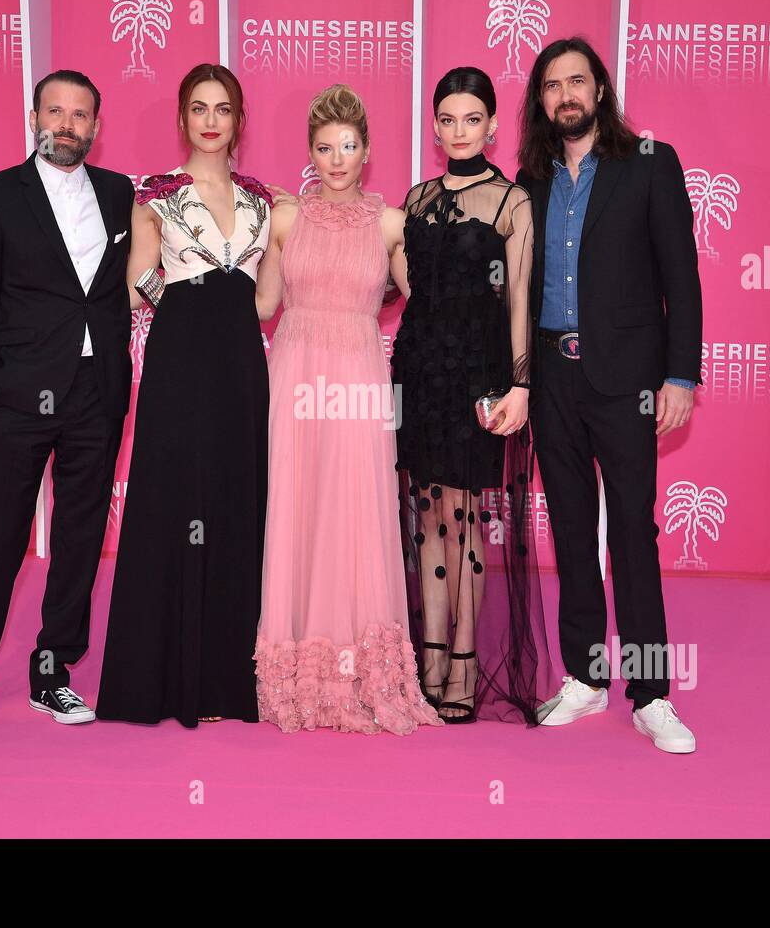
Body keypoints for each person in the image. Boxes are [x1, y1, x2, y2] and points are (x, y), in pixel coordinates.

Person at [515, 37, 702, 753]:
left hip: (627, 381)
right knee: (569, 532)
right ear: (541, 99)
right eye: (553, 85)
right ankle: (587, 679)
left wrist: (680, 376)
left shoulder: (648, 165)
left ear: (600, 90)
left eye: (578, 82)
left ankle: (651, 694)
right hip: (553, 380)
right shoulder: (527, 178)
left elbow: (679, 277)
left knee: (631, 534)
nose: (566, 94)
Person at [0, 69, 133, 733]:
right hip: (19, 396)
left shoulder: (118, 194)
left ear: (96, 128)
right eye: (56, 111)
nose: (68, 124)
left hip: (95, 392)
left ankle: (52, 672)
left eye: (81, 115)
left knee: (80, 540)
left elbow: (133, 285)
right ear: (34, 117)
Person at [253, 84, 442, 735]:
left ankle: (359, 670)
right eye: (325, 147)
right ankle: (295, 668)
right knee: (297, 509)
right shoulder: (283, 218)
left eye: (349, 146)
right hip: (295, 376)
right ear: (310, 152)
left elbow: (430, 301)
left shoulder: (391, 223)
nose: (337, 158)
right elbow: (261, 307)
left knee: (355, 513)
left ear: (367, 151)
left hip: (359, 381)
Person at [96, 64, 272, 727]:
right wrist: (184, 302)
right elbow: (139, 270)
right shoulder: (156, 196)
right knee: (174, 498)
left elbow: (271, 294)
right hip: (179, 355)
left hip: (241, 359)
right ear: (182, 118)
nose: (209, 120)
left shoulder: (264, 200)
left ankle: (229, 680)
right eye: (198, 107)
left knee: (235, 495)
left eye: (222, 108)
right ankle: (161, 681)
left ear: (238, 121)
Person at [391, 67, 547, 724]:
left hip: (477, 379)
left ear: (490, 125)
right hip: (420, 373)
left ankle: (462, 665)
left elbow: (519, 303)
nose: (459, 130)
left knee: (467, 526)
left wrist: (519, 382)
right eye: (447, 119)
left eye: (471, 119)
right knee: (427, 517)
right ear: (435, 126)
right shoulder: (417, 197)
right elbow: (401, 286)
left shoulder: (512, 203)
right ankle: (427, 658)